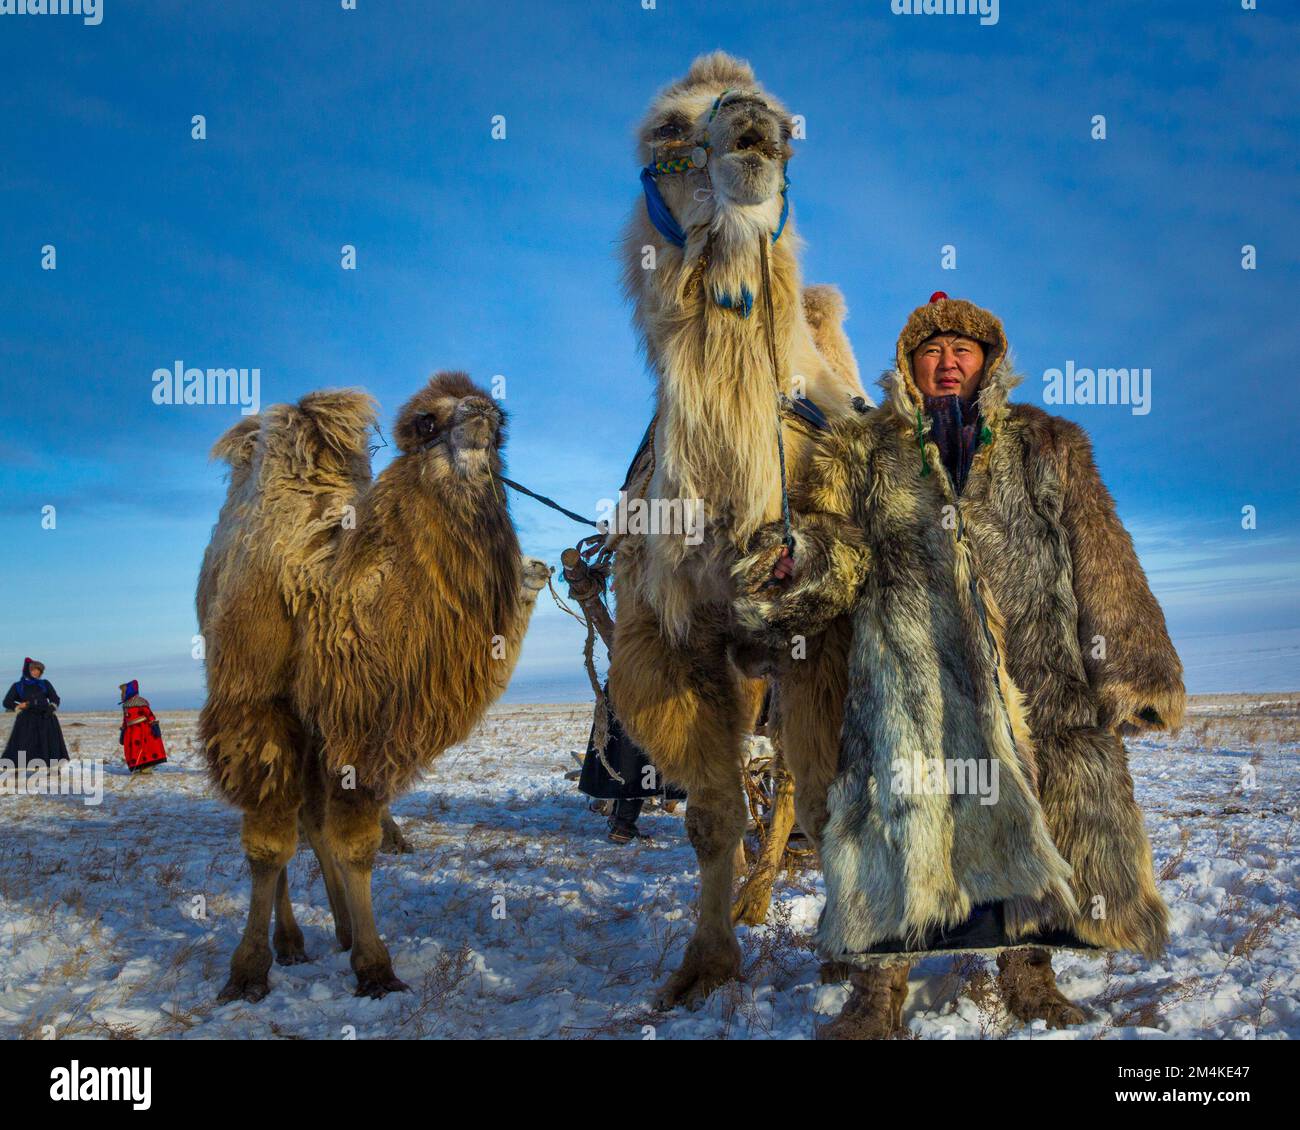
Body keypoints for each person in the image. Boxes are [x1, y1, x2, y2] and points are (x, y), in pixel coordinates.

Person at [734, 292, 1184, 1037]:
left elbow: (1101, 555)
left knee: (1042, 817)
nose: (948, 362)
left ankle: (1029, 973)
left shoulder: (1050, 442)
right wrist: (794, 565)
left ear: (988, 362)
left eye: (962, 352)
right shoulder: (865, 448)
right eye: (932, 351)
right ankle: (878, 990)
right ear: (910, 364)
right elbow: (838, 553)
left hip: (1038, 673)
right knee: (898, 824)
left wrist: (1136, 666)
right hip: (913, 675)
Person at [578, 691, 685, 843]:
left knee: (630, 759)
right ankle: (623, 823)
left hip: (626, 695)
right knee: (637, 761)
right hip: (645, 698)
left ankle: (621, 820)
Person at [3, 657, 70, 765]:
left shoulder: (44, 683)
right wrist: (20, 705)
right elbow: (7, 702)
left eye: (39, 671)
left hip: (46, 717)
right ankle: (16, 768)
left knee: (48, 744)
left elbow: (55, 698)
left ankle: (52, 767)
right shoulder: (18, 686)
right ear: (27, 670)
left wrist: (51, 708)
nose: (36, 673)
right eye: (33, 670)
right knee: (23, 744)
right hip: (26, 719)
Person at [118, 680, 167, 773]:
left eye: (123, 692)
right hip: (131, 731)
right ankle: (138, 765)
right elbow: (125, 719)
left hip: (142, 730)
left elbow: (149, 714)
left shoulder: (140, 703)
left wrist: (153, 725)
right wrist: (123, 730)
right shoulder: (126, 706)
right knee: (133, 749)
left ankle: (146, 767)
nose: (122, 695)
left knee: (144, 747)